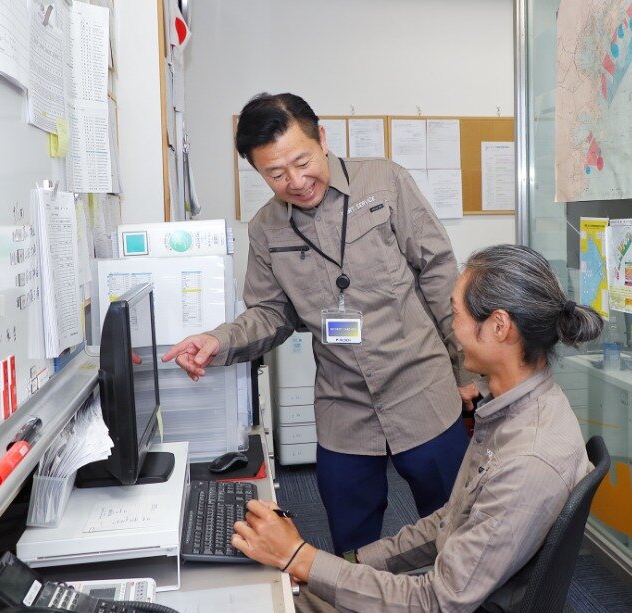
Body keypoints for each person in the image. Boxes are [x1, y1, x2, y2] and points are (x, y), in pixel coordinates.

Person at [162, 92, 479, 555]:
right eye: (276, 174)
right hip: (343, 409)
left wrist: (467, 369)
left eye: (302, 161)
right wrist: (217, 339)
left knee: (454, 529)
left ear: (322, 139)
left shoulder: (385, 182)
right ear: (257, 171)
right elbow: (270, 314)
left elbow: (439, 275)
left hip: (422, 391)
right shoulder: (267, 229)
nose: (295, 181)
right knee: (351, 546)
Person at [230, 244, 604, 613]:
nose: (451, 328)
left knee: (268, 604)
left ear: (499, 326)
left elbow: (436, 603)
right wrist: (346, 563)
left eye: (455, 314)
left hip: (449, 606)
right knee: (284, 591)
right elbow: (450, 519)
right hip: (453, 594)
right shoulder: (520, 410)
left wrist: (300, 558)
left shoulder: (527, 460)